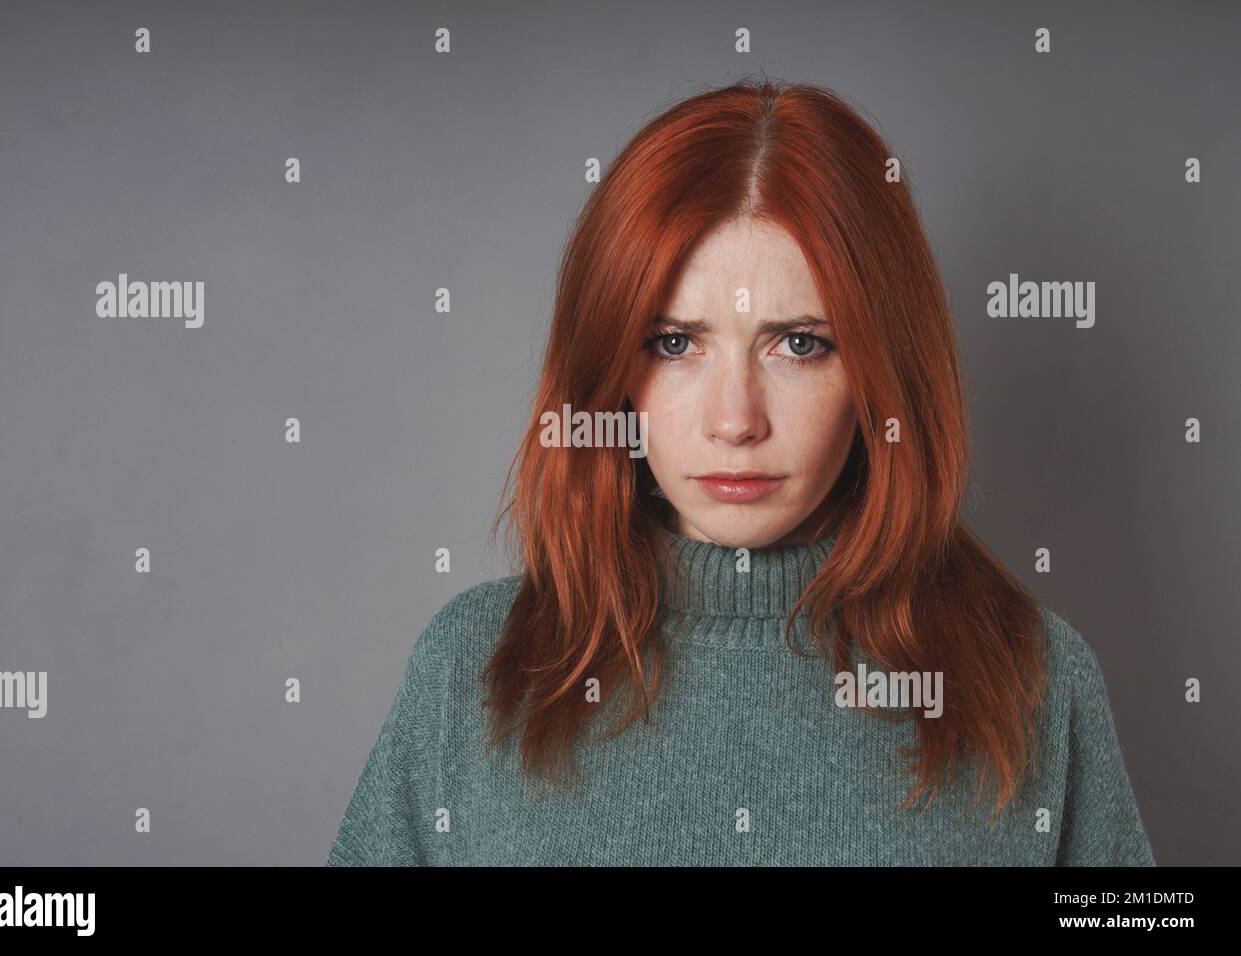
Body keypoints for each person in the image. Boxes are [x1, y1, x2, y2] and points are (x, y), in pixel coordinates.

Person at [327, 79, 1155, 866]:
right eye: (674, 343)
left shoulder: (1032, 678)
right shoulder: (471, 667)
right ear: (609, 369)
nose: (734, 421)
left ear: (883, 372)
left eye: (799, 344)